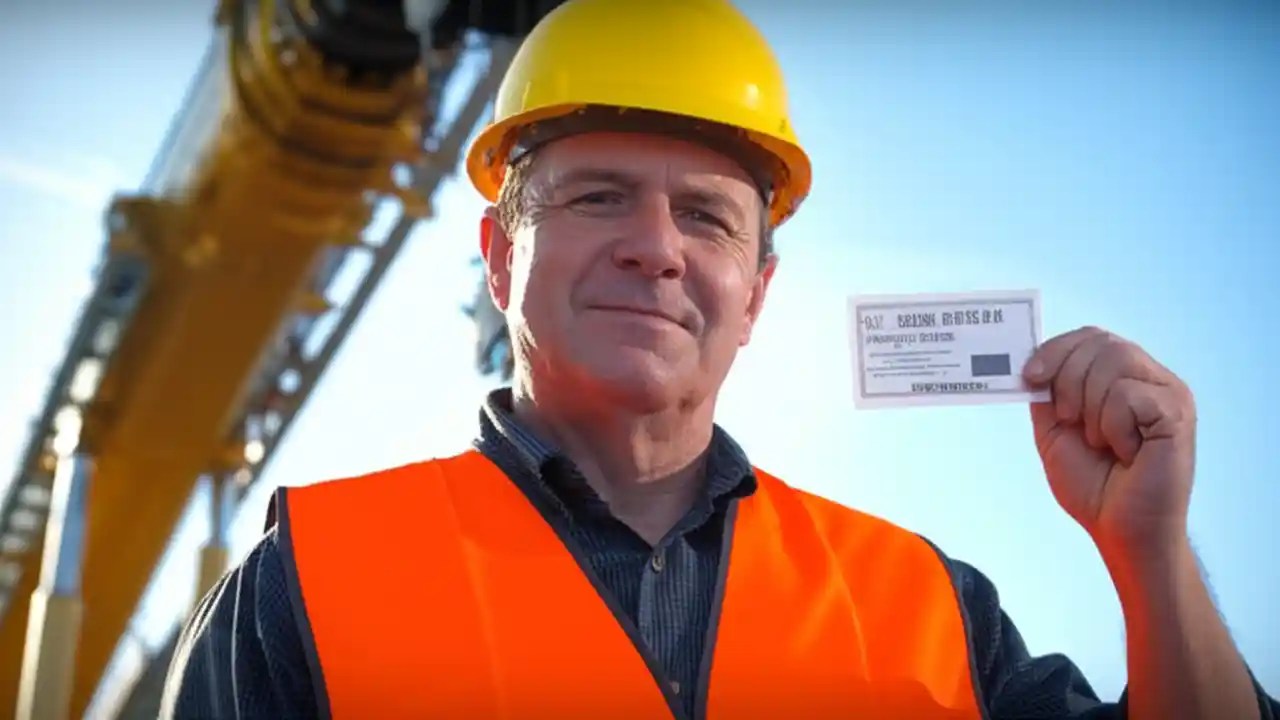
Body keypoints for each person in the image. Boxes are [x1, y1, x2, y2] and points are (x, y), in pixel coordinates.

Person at [161, 0, 1278, 718]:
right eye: (598, 198)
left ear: (755, 294)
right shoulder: (309, 580)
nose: (654, 248)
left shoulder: (921, 605)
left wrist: (1149, 556)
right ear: (500, 257)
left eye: (705, 218)